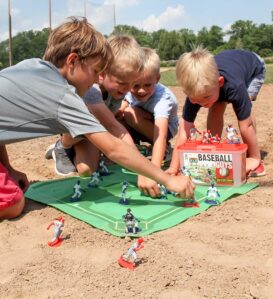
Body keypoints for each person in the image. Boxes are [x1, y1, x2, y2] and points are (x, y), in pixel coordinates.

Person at [0, 17, 195, 219]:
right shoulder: (62, 95)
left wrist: (9, 169)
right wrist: (167, 180)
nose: (96, 79)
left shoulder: (33, 66)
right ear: (73, 61)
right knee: (12, 203)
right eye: (95, 71)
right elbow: (112, 147)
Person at [46, 34, 144, 176]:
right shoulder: (91, 90)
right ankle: (62, 146)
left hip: (95, 129)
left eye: (132, 83)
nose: (128, 89)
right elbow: (113, 126)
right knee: (86, 170)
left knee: (89, 169)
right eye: (122, 83)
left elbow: (111, 124)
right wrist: (141, 166)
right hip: (78, 131)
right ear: (102, 73)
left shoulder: (116, 90)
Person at [168, 47, 266, 177]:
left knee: (245, 108)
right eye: (195, 99)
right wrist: (174, 167)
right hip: (229, 67)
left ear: (219, 82)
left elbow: (245, 125)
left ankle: (254, 157)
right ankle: (214, 145)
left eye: (206, 97)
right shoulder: (197, 92)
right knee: (216, 105)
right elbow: (184, 132)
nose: (202, 103)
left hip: (253, 66)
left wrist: (254, 158)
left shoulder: (235, 86)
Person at [121, 47, 179, 196]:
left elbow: (160, 134)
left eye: (147, 85)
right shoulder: (130, 88)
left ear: (157, 79)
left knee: (129, 113)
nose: (141, 90)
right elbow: (122, 106)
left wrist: (152, 172)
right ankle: (134, 149)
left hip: (164, 131)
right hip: (144, 121)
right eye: (136, 86)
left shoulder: (162, 99)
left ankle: (165, 150)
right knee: (123, 113)